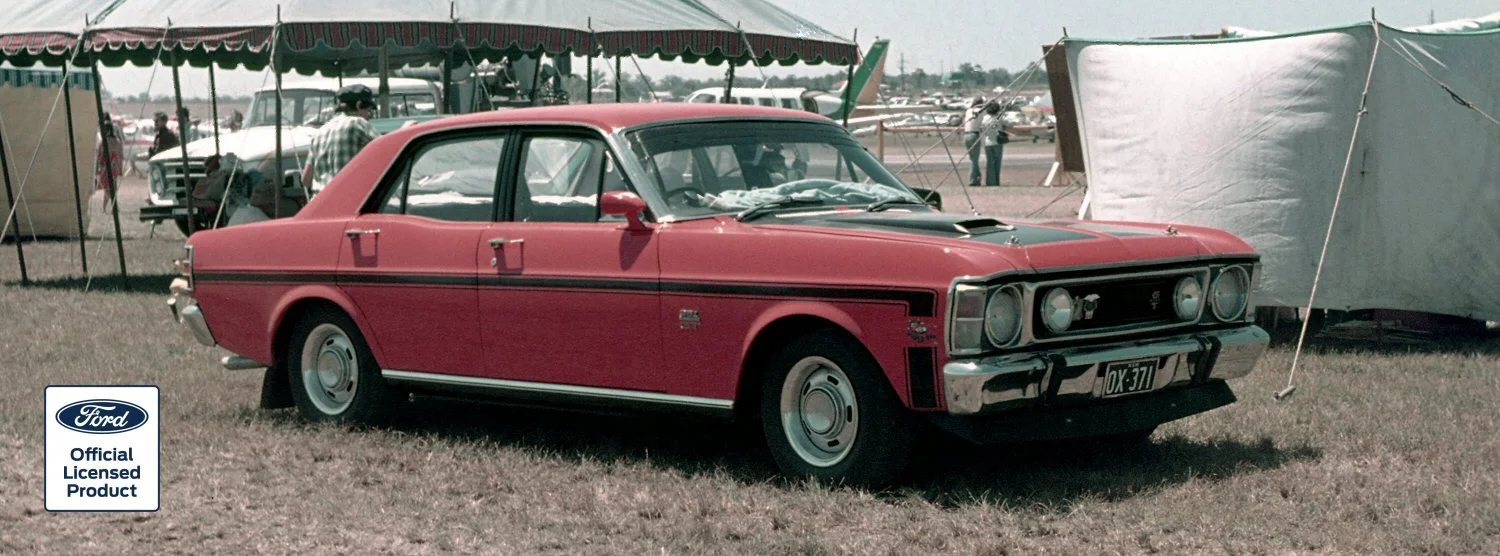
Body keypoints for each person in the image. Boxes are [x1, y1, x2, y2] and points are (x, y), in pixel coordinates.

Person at [302, 84, 379, 193]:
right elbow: (386, 148)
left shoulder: (319, 132)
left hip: (320, 203)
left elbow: (306, 180)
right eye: (368, 111)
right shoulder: (357, 123)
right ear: (359, 105)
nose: (368, 116)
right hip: (348, 199)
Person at [94, 118, 125, 203]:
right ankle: (111, 206)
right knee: (111, 187)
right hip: (113, 166)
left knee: (108, 188)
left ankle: (110, 206)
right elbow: (120, 156)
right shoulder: (117, 141)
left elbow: (99, 155)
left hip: (107, 166)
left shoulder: (105, 141)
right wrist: (120, 168)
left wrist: (97, 168)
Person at [981, 101, 1009, 186]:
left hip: (988, 142)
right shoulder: (999, 118)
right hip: (997, 142)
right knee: (997, 164)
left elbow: (982, 128)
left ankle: (990, 181)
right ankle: (996, 181)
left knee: (990, 163)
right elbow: (1007, 123)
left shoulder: (985, 118)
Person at [960, 97, 985, 186]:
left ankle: (977, 176)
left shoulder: (968, 111)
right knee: (974, 160)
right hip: (974, 134)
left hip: (966, 135)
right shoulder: (981, 111)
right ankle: (973, 180)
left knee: (972, 159)